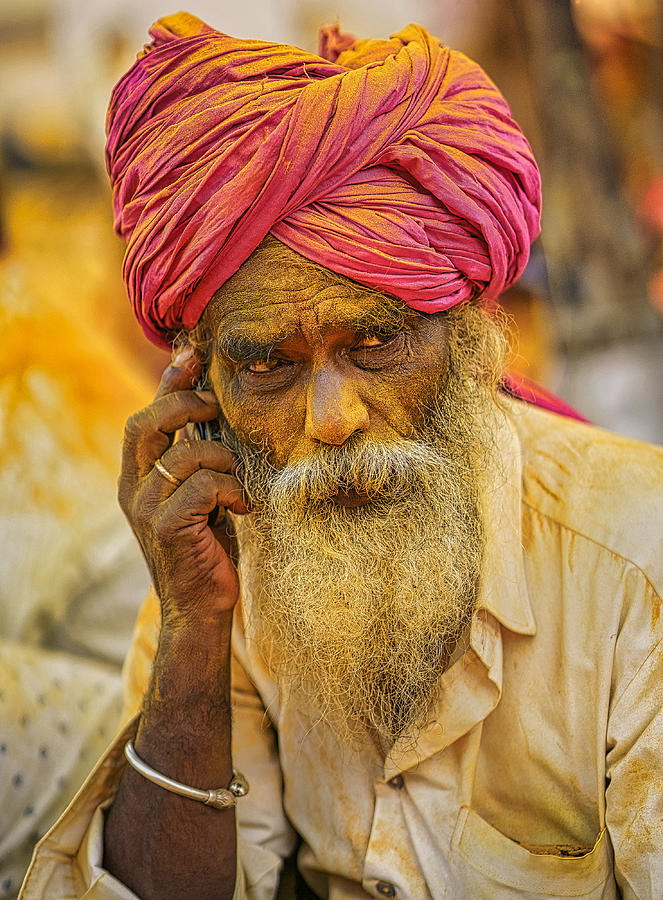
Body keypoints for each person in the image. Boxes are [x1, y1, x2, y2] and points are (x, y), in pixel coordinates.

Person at [20, 12, 663, 900]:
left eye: (373, 342)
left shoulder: (637, 566)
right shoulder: (228, 551)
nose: (331, 417)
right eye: (266, 365)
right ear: (198, 383)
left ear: (472, 342)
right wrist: (192, 631)